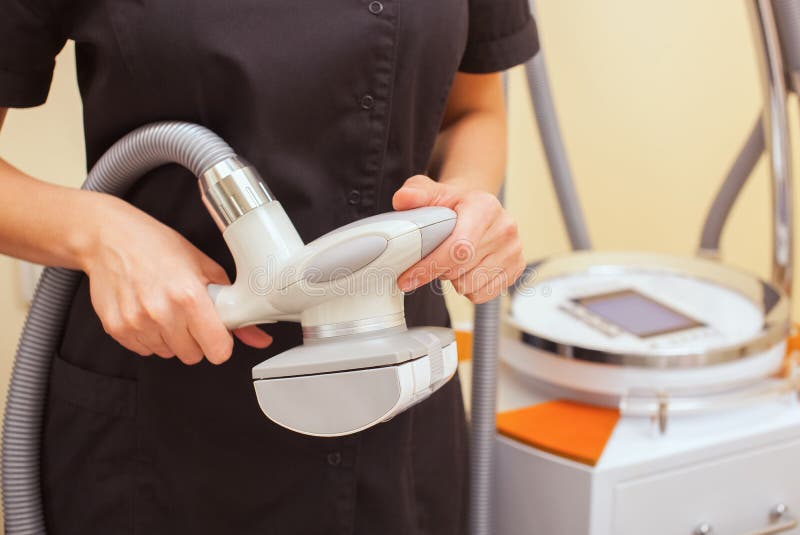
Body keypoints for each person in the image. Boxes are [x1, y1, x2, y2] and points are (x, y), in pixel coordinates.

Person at [0, 1, 538, 533]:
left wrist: (465, 201)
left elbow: (474, 111)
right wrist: (97, 233)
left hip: (395, 396)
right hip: (165, 408)